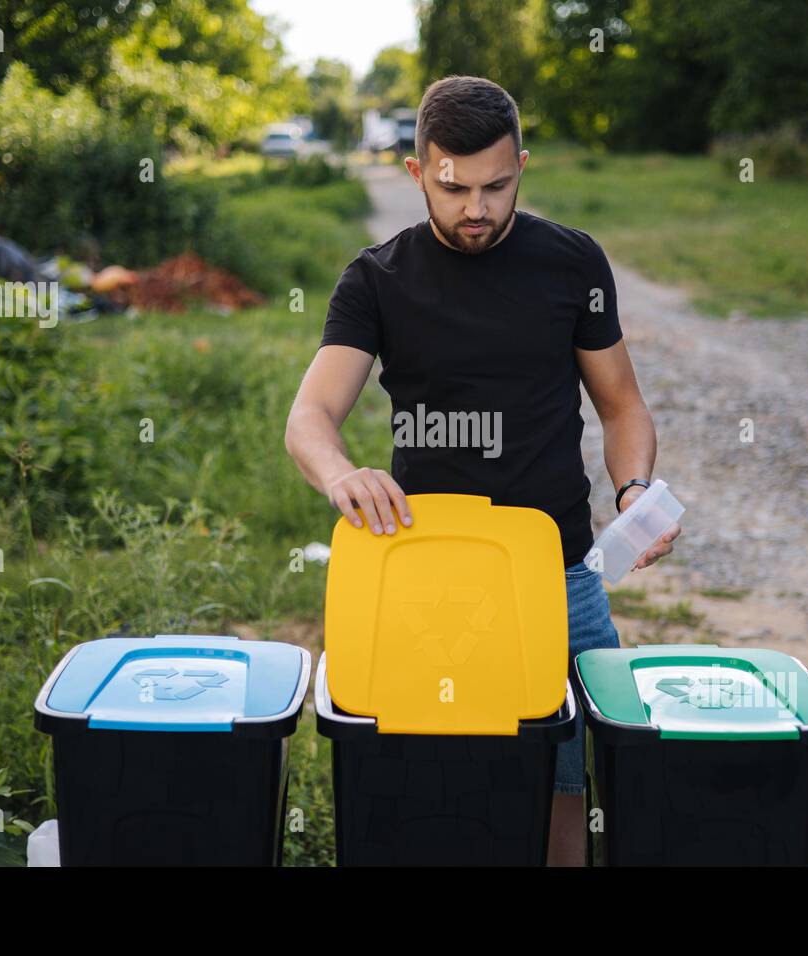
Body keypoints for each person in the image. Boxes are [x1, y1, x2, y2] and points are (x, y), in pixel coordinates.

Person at [284, 74, 680, 866]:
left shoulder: (572, 263)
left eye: (496, 186)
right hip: (428, 577)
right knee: (429, 772)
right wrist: (338, 474)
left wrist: (633, 487)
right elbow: (309, 419)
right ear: (416, 171)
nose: (476, 208)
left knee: (568, 779)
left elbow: (622, 406)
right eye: (453, 186)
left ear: (522, 167)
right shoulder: (377, 279)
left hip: (559, 574)